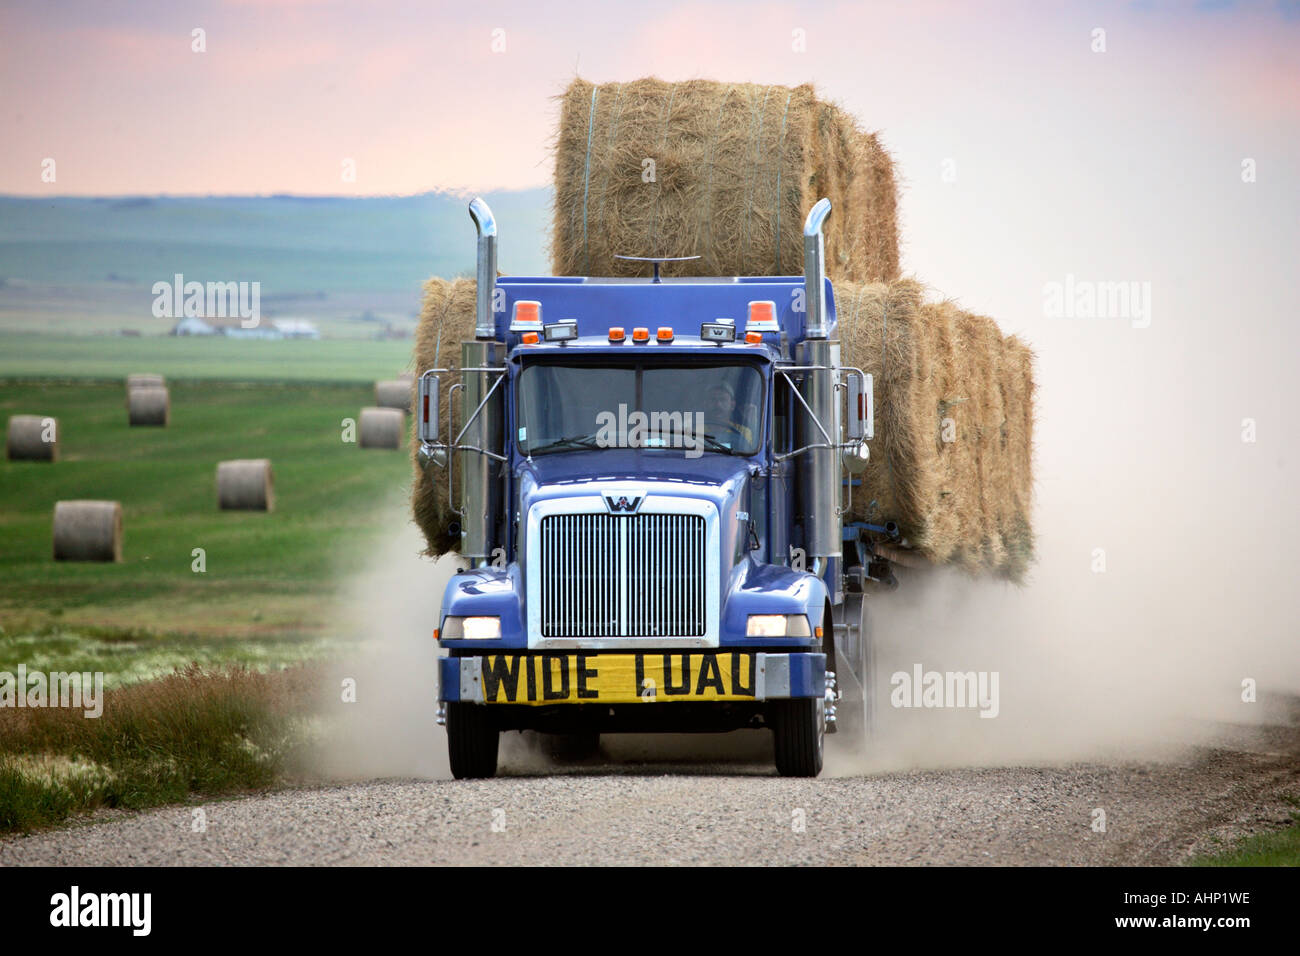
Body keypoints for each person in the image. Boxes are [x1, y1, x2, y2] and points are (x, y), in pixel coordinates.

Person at [702, 383, 754, 448]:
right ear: (705, 405)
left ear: (732, 405)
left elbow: (747, 456)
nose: (718, 405)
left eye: (723, 400)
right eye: (713, 400)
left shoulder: (743, 432)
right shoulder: (695, 432)